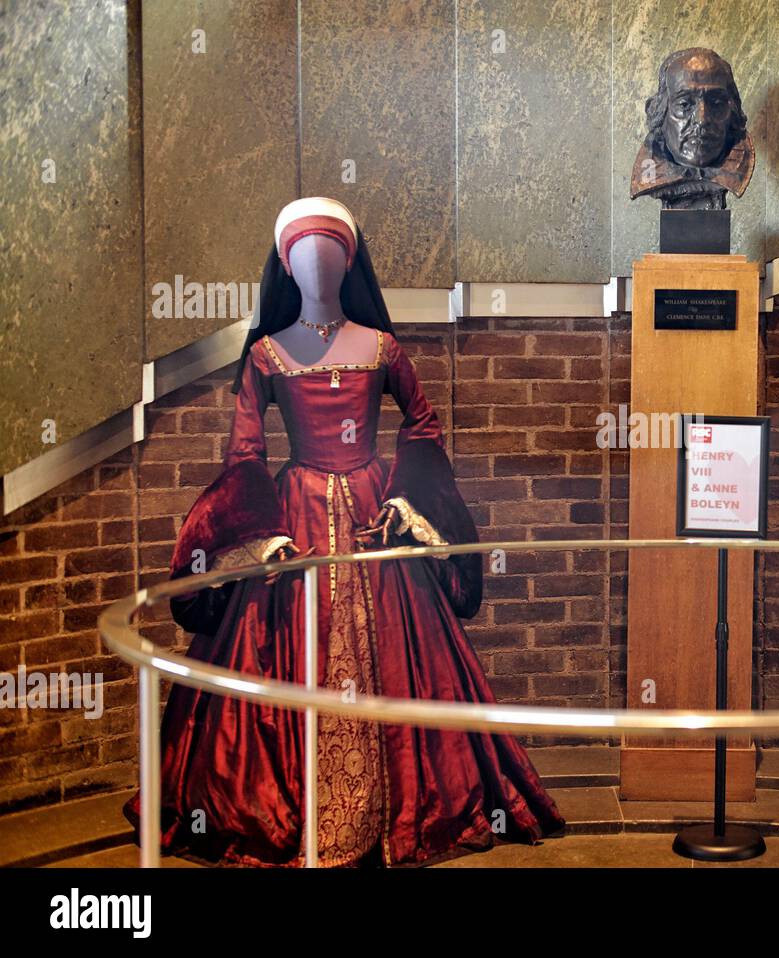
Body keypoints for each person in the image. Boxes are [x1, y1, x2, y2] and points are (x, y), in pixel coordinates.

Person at [124, 197, 565, 866]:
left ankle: (404, 810)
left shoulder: (381, 346)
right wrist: (265, 533)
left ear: (348, 264)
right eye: (305, 261)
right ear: (285, 268)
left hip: (372, 511)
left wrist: (407, 500)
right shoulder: (268, 356)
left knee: (405, 656)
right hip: (294, 513)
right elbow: (245, 453)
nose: (317, 272)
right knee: (272, 658)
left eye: (329, 259)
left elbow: (423, 423)